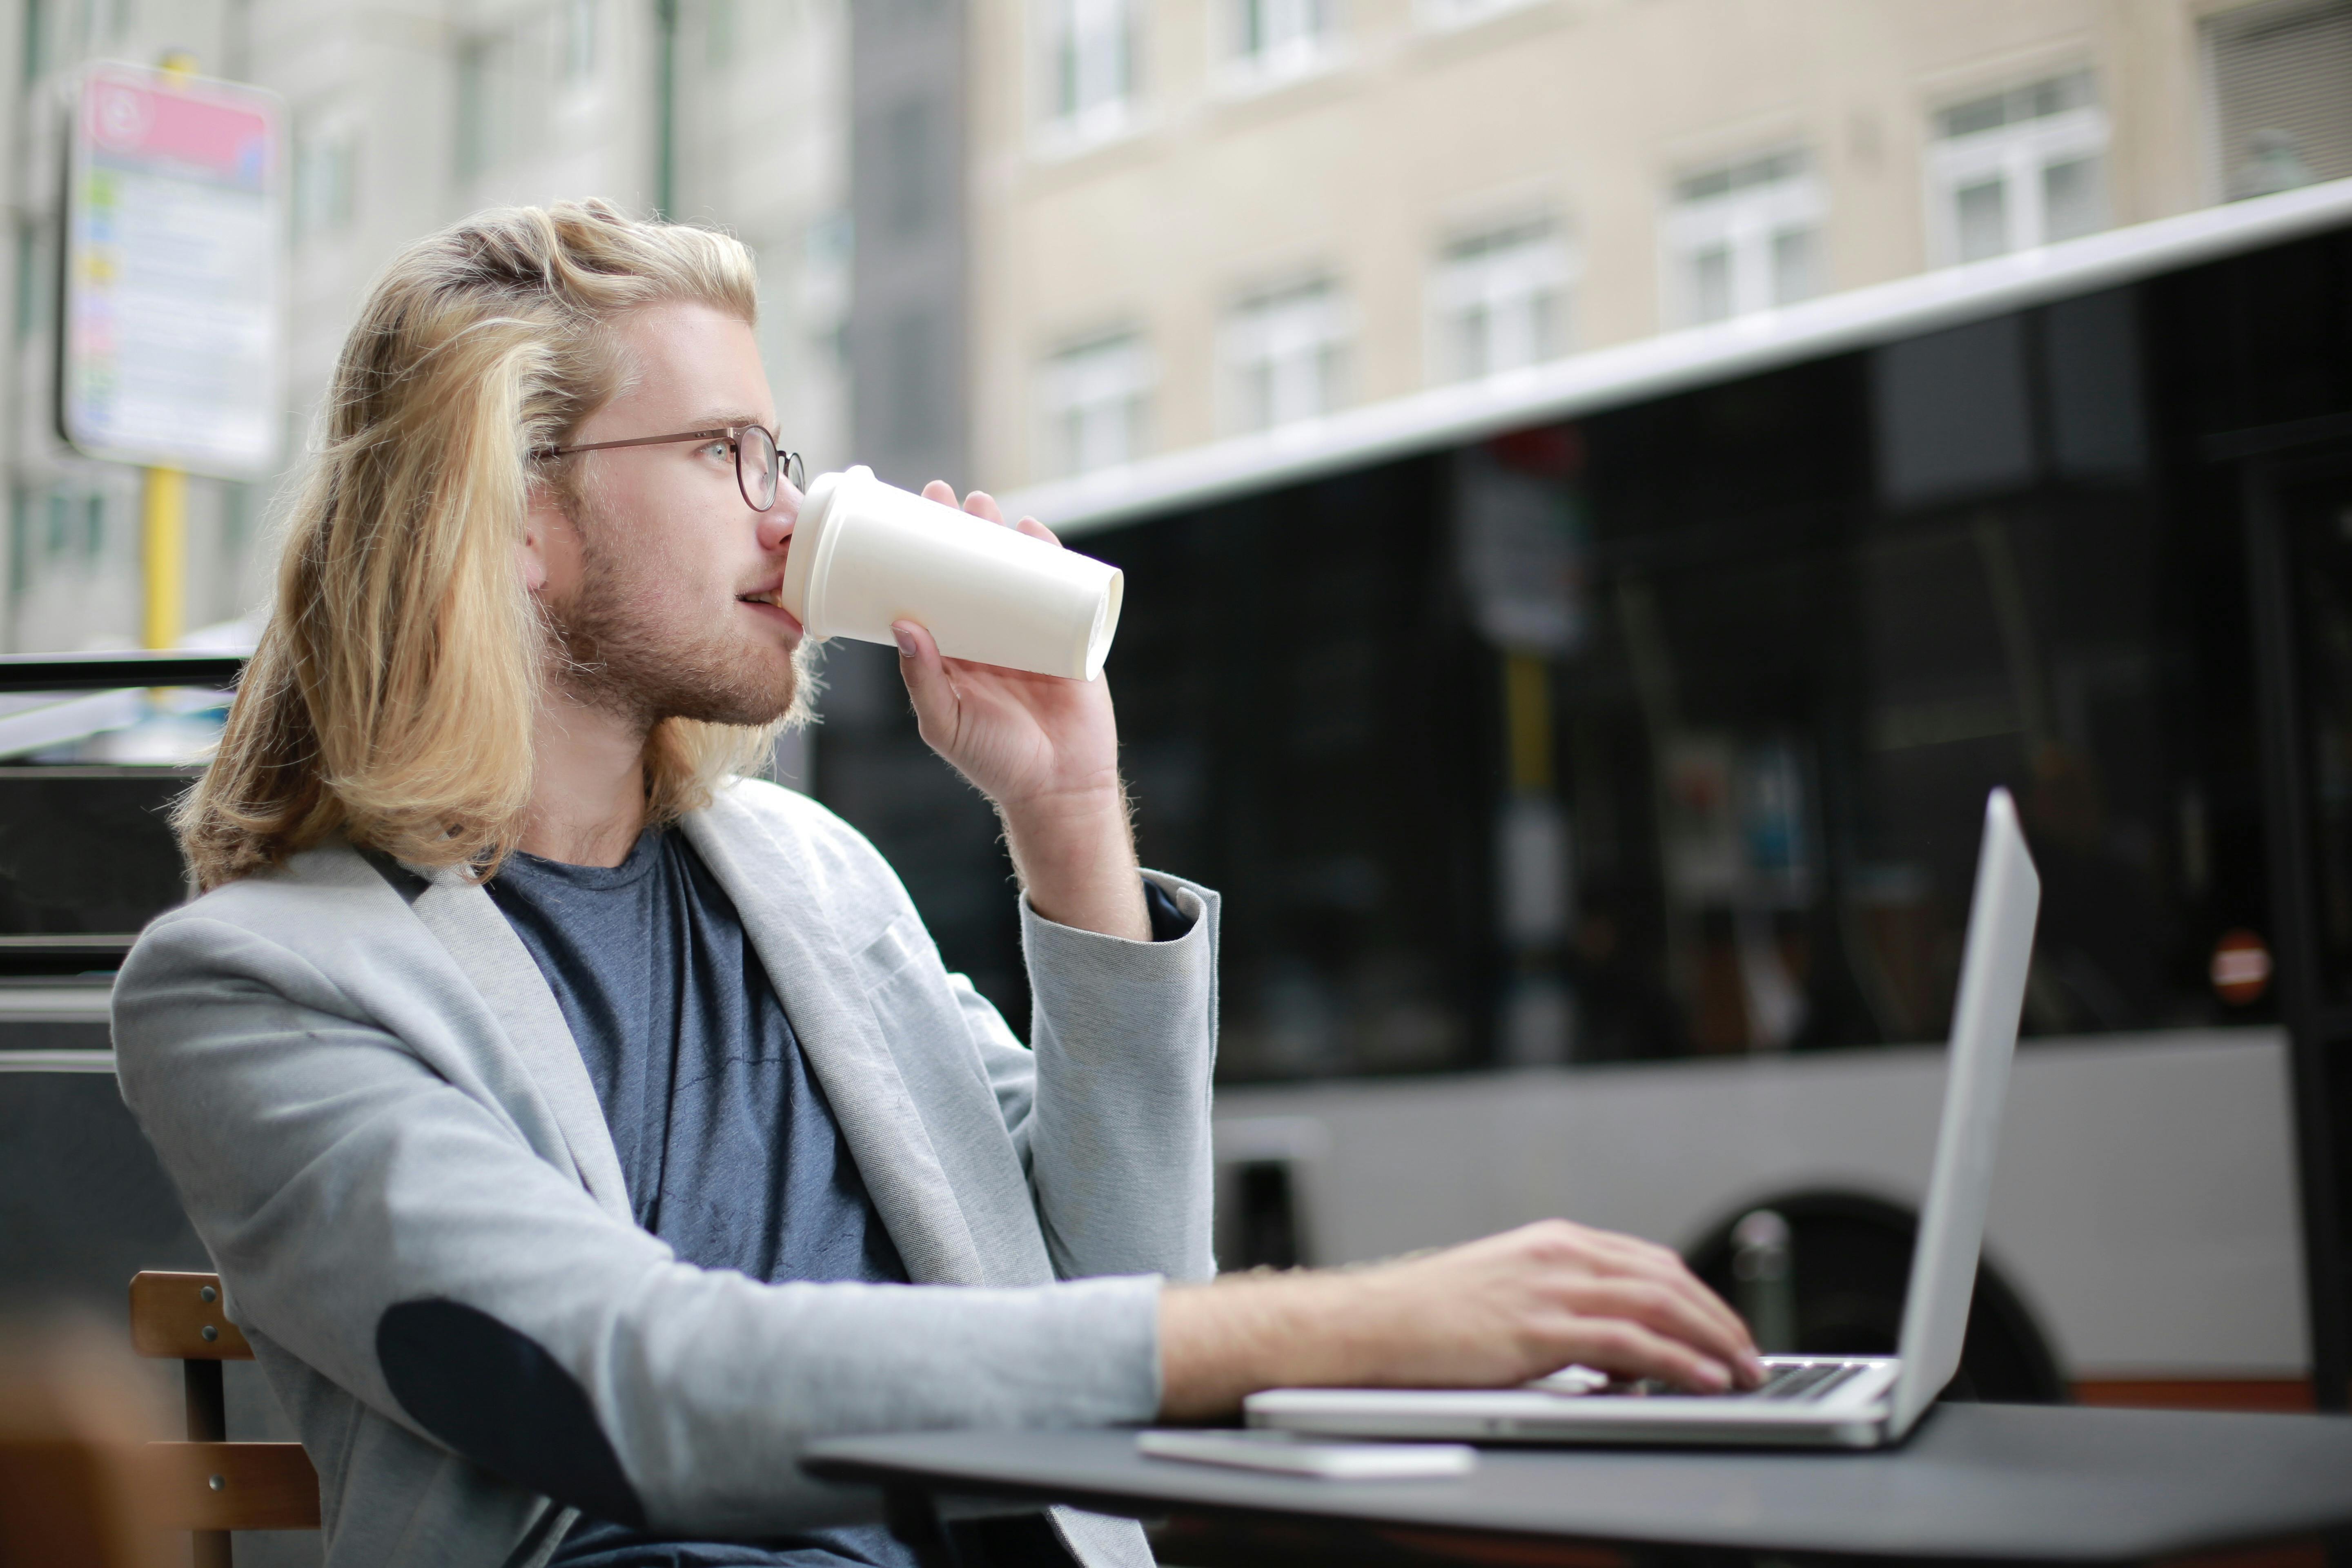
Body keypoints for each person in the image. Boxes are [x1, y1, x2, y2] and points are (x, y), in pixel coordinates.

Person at [112, 202, 1759, 1568]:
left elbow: (1124, 1299)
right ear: (522, 513)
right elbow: (641, 1387)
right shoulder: (255, 986)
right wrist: (1352, 1324)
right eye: (730, 454)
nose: (796, 516)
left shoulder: (811, 878)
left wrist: (1069, 811)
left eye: (786, 451)